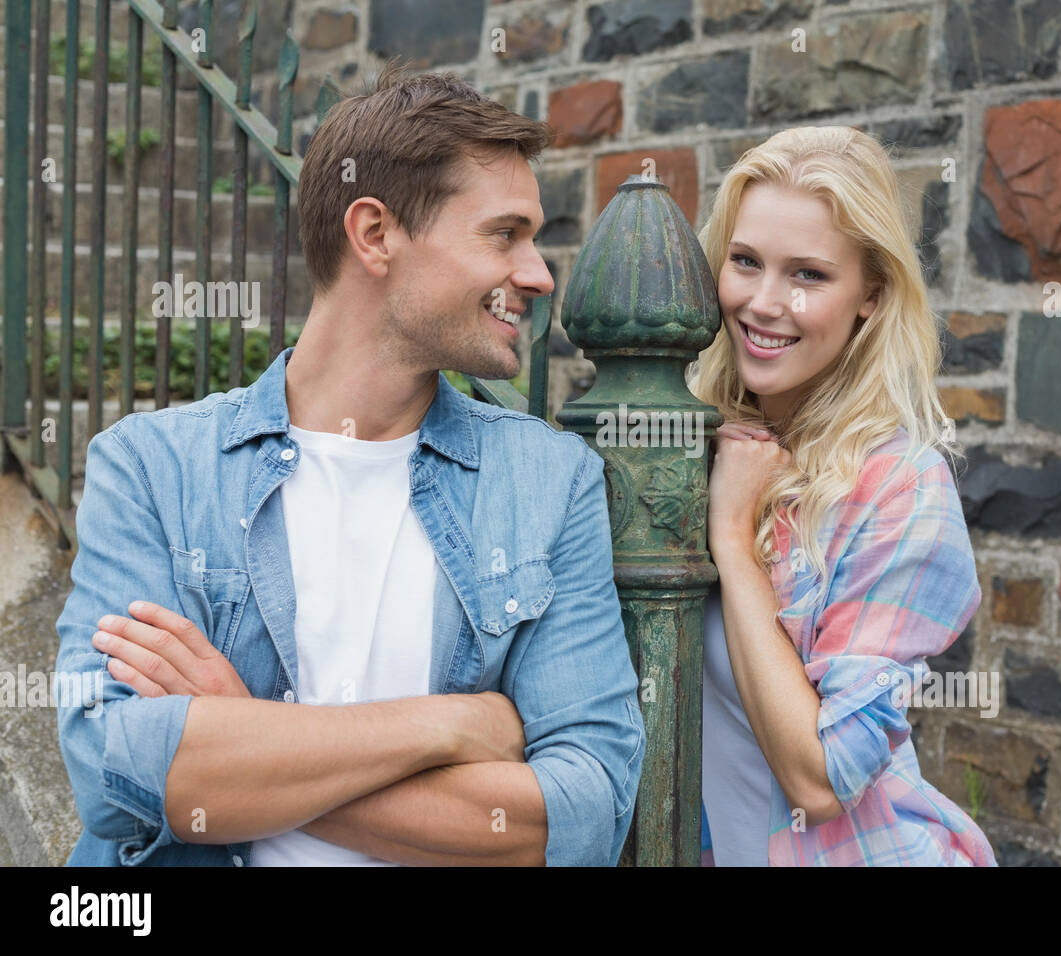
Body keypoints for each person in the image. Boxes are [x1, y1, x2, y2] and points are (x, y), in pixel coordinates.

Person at [53, 62, 644, 867]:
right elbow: (113, 776)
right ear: (374, 235)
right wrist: (454, 724)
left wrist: (246, 732)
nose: (539, 275)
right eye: (505, 234)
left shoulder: (548, 482)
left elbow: (582, 814)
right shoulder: (153, 467)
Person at [689, 125, 996, 866]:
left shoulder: (899, 490)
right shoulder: (688, 442)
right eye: (745, 261)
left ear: (872, 294)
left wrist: (732, 542)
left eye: (808, 276)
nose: (764, 303)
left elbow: (823, 781)